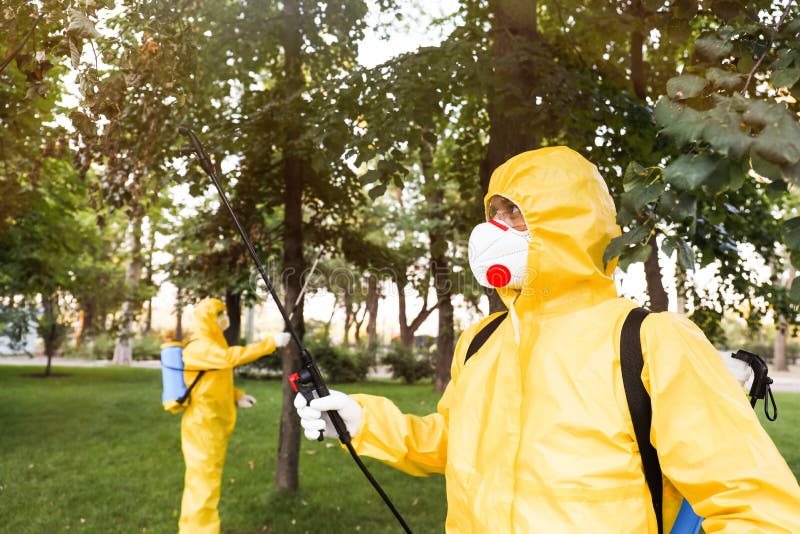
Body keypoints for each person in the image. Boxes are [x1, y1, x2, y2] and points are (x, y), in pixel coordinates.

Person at [294, 147, 800, 532]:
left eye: (516, 211)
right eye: (494, 211)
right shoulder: (480, 340)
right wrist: (362, 421)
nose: (498, 227)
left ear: (570, 224)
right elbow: (453, 443)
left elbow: (753, 504)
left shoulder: (649, 340)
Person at [179, 297, 290, 533]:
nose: (224, 318)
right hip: (203, 427)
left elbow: (213, 382)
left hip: (213, 425)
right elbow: (231, 358)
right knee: (204, 485)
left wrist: (237, 396)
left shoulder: (211, 346)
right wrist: (271, 343)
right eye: (219, 314)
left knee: (204, 482)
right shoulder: (199, 347)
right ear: (209, 318)